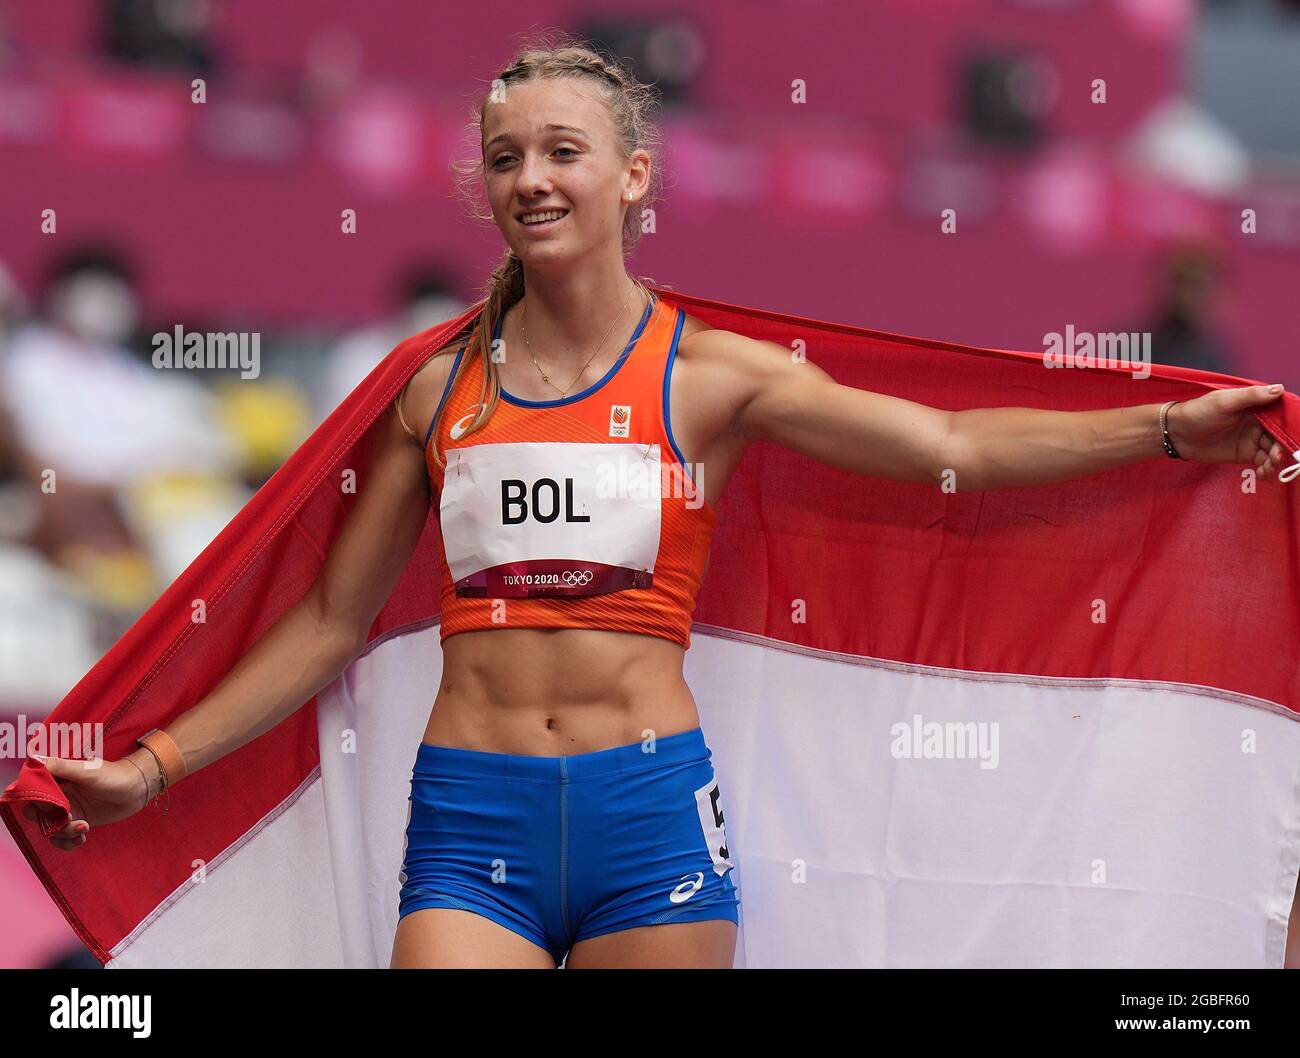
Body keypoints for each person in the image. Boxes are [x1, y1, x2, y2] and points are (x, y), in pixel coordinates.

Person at [24, 35, 1292, 970]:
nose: (531, 180)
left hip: (650, 816)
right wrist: (156, 761)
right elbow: (322, 624)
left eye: (563, 153)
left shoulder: (714, 377)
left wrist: (1168, 429)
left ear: (635, 178)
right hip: (473, 816)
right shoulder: (436, 389)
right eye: (505, 158)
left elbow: (950, 440)